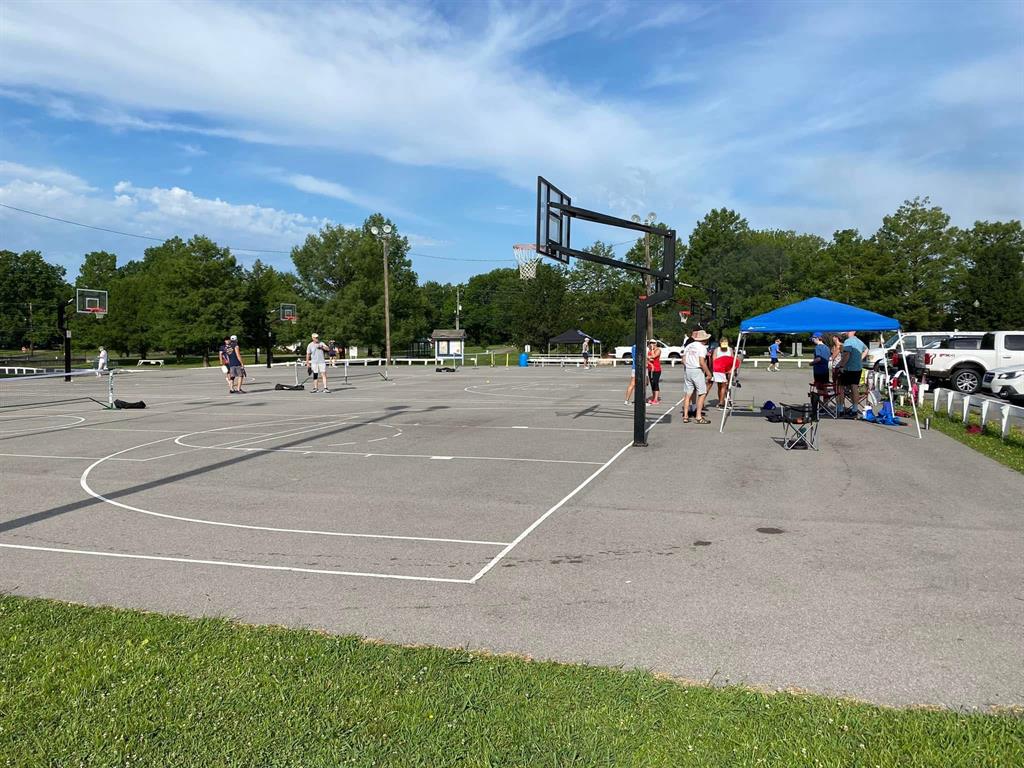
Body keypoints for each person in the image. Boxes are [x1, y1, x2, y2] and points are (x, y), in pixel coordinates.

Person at [681, 329, 712, 424]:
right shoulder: (702, 348)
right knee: (702, 393)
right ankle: (698, 416)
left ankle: (685, 416)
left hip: (688, 370)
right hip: (697, 370)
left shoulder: (689, 346)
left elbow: (683, 360)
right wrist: (708, 373)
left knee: (688, 393)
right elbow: (702, 362)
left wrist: (688, 366)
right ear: (704, 339)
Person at [839, 330, 868, 416]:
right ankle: (855, 408)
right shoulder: (859, 341)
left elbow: (847, 354)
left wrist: (841, 365)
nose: (846, 332)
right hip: (857, 368)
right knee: (854, 387)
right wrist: (859, 359)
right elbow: (866, 350)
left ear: (852, 331)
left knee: (841, 387)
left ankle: (840, 408)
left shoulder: (848, 341)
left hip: (848, 368)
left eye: (848, 331)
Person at [711, 337, 736, 408]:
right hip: (719, 370)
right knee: (720, 386)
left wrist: (732, 369)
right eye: (723, 342)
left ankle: (727, 399)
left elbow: (732, 359)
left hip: (728, 370)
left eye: (726, 342)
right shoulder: (717, 350)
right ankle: (721, 401)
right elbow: (714, 360)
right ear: (720, 343)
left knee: (727, 386)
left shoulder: (730, 349)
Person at [646, 340, 662, 405]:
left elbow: (654, 356)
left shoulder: (658, 350)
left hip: (656, 369)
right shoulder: (649, 350)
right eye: (650, 343)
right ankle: (653, 397)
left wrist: (652, 349)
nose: (651, 344)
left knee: (655, 383)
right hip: (650, 369)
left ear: (656, 343)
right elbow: (647, 358)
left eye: (653, 343)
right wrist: (649, 358)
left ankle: (656, 399)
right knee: (652, 384)